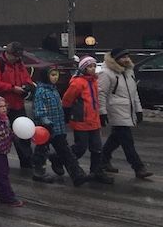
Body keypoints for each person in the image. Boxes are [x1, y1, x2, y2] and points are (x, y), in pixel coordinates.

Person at [99, 48, 153, 179]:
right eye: (123, 57)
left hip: (127, 110)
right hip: (115, 110)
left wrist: (138, 110)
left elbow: (134, 93)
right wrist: (102, 112)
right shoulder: (106, 73)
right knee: (127, 140)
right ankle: (138, 167)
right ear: (115, 59)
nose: (126, 59)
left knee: (116, 138)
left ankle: (102, 160)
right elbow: (101, 93)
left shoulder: (129, 72)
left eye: (127, 56)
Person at [32, 69, 89, 187]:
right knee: (41, 151)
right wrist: (46, 122)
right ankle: (39, 172)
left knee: (66, 151)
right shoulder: (41, 91)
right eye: (52, 75)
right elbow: (39, 110)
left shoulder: (54, 90)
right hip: (46, 129)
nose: (55, 77)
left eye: (56, 75)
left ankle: (77, 174)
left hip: (58, 127)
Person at [0, 42, 34, 170]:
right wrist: (12, 88)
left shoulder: (19, 63)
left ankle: (27, 161)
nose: (17, 58)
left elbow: (26, 78)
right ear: (7, 53)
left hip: (17, 104)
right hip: (1, 105)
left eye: (18, 56)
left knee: (23, 135)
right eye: (15, 55)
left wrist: (28, 85)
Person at [62, 56, 112, 184]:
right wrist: (67, 114)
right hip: (81, 120)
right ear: (83, 68)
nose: (93, 69)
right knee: (80, 147)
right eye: (90, 66)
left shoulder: (94, 81)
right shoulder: (78, 83)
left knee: (97, 148)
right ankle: (60, 158)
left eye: (94, 66)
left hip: (93, 120)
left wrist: (101, 114)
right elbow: (67, 100)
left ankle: (96, 171)